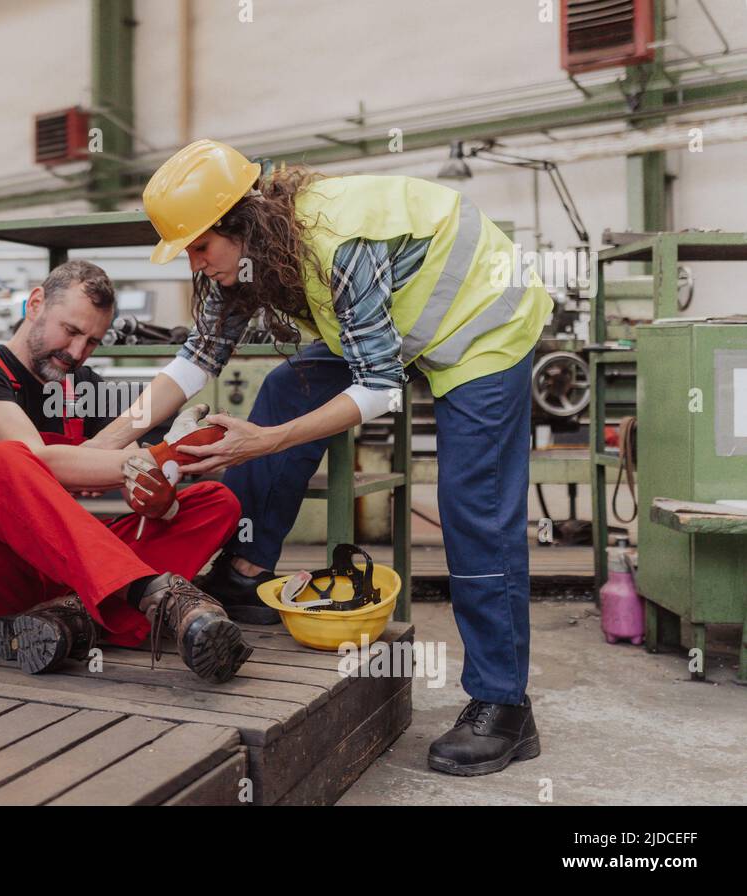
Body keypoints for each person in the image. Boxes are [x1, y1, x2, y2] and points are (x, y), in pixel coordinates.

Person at [89, 140, 551, 775]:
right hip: (402, 323)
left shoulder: (339, 244)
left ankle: (503, 705)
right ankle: (248, 570)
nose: (195, 264)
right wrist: (101, 447)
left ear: (239, 224)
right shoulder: (249, 258)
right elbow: (194, 363)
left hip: (481, 322)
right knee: (284, 389)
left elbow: (381, 388)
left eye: (199, 247)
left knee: (473, 503)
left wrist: (266, 439)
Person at [0, 259, 253, 682]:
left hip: (63, 573)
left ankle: (71, 620)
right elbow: (40, 461)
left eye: (92, 341)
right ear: (35, 303)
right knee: (1, 459)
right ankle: (147, 595)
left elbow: (141, 489)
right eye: (72, 331)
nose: (77, 353)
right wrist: (162, 455)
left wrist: (162, 484)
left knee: (215, 502)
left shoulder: (83, 387)